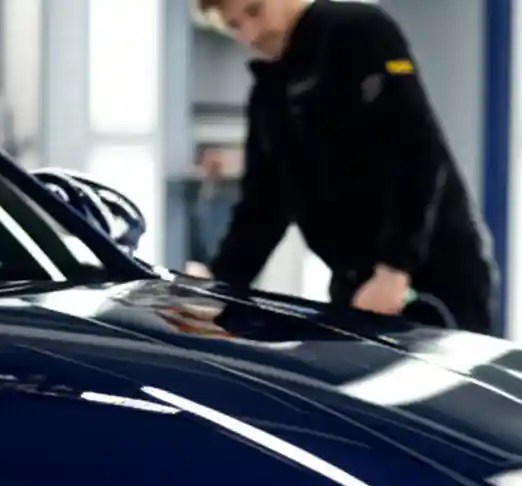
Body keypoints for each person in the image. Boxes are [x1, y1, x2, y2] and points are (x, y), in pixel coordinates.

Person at [186, 0, 499, 334]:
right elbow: (263, 208)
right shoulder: (269, 94)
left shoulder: (358, 31)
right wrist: (219, 287)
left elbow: (417, 151)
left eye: (255, 11)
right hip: (357, 283)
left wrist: (395, 268)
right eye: (234, 26)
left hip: (433, 272)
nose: (251, 34)